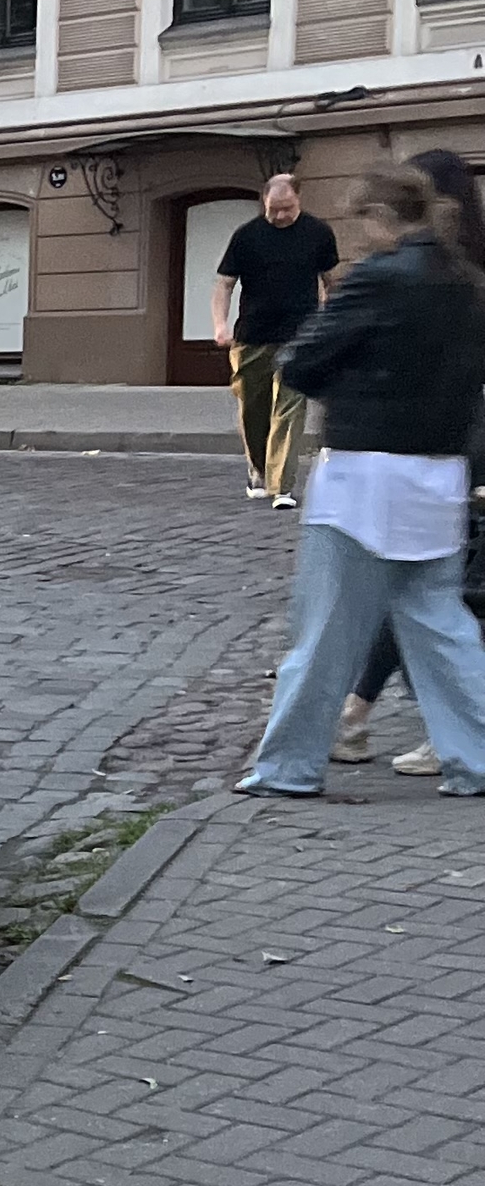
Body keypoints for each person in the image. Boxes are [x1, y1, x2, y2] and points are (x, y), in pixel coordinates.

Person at [240, 163, 485, 798]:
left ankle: (287, 767)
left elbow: (301, 361)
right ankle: (477, 758)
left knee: (324, 634)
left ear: (380, 218)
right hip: (439, 475)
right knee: (442, 626)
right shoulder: (465, 283)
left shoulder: (377, 278)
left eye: (362, 222)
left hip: (364, 476)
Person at [334, 148, 485, 772]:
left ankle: (386, 718)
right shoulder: (457, 268)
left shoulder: (436, 271)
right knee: (428, 592)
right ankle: (357, 714)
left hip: (453, 447)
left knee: (439, 597)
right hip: (450, 448)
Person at [214, 173, 339, 508]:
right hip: (252, 336)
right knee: (253, 410)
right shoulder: (247, 236)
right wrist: (219, 325)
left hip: (300, 335)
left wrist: (329, 322)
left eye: (287, 208)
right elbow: (224, 284)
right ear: (264, 203)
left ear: (298, 200)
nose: (281, 215)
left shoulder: (318, 233)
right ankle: (258, 470)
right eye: (274, 209)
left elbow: (331, 282)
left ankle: (280, 485)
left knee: (290, 408)